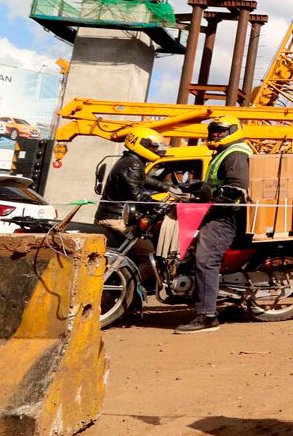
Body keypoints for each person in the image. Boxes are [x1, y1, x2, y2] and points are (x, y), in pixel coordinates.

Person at [175, 116, 254, 335]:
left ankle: (208, 316)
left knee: (206, 258)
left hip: (226, 216)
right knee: (193, 254)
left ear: (233, 130)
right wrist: (197, 187)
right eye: (213, 131)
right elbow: (218, 184)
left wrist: (208, 197)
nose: (215, 135)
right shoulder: (223, 152)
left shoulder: (236, 153)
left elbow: (237, 189)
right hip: (216, 212)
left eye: (220, 130)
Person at [94, 127, 170, 238]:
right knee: (145, 252)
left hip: (113, 217)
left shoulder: (130, 161)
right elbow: (136, 196)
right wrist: (158, 204)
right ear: (141, 145)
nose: (156, 149)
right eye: (153, 146)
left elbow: (142, 179)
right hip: (116, 220)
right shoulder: (133, 165)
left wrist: (167, 187)